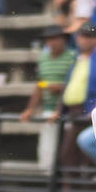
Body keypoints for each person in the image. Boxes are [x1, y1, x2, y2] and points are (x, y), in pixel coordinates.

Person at [59, 22, 96, 192]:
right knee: (70, 156)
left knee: (81, 156)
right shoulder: (77, 58)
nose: (85, 40)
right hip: (74, 112)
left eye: (89, 37)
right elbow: (69, 85)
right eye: (82, 36)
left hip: (90, 112)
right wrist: (59, 109)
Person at [21, 25, 77, 171]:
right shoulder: (43, 58)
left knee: (67, 151)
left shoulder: (73, 57)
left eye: (55, 39)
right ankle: (48, 178)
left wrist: (60, 88)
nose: (52, 43)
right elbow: (40, 85)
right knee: (47, 150)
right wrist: (30, 109)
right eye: (49, 40)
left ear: (64, 40)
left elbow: (76, 84)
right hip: (48, 109)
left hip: (69, 110)